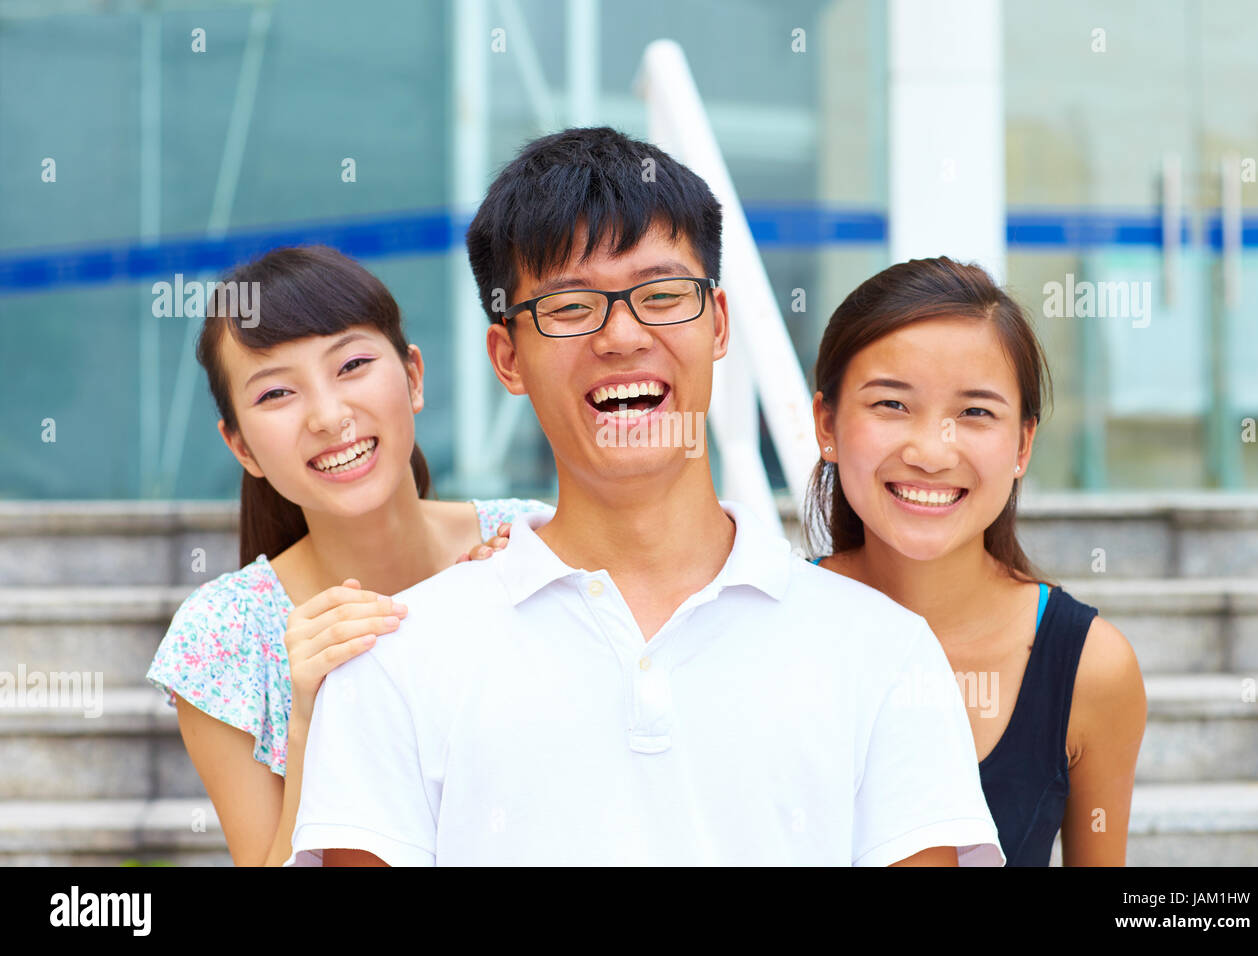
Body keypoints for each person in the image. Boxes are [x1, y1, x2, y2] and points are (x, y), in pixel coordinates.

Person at [286, 128, 1004, 867]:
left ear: (718, 323)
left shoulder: (885, 653)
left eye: (663, 295)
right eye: (568, 307)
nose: (622, 335)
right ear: (508, 358)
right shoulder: (395, 663)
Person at [145, 245, 553, 866]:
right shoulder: (222, 638)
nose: (329, 416)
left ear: (413, 377)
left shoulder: (529, 541)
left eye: (353, 364)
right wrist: (308, 714)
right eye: (277, 394)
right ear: (242, 448)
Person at [805, 256, 1147, 865]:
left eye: (975, 412)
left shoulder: (1091, 669)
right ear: (826, 423)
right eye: (891, 404)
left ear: (1023, 443)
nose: (932, 453)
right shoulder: (760, 628)